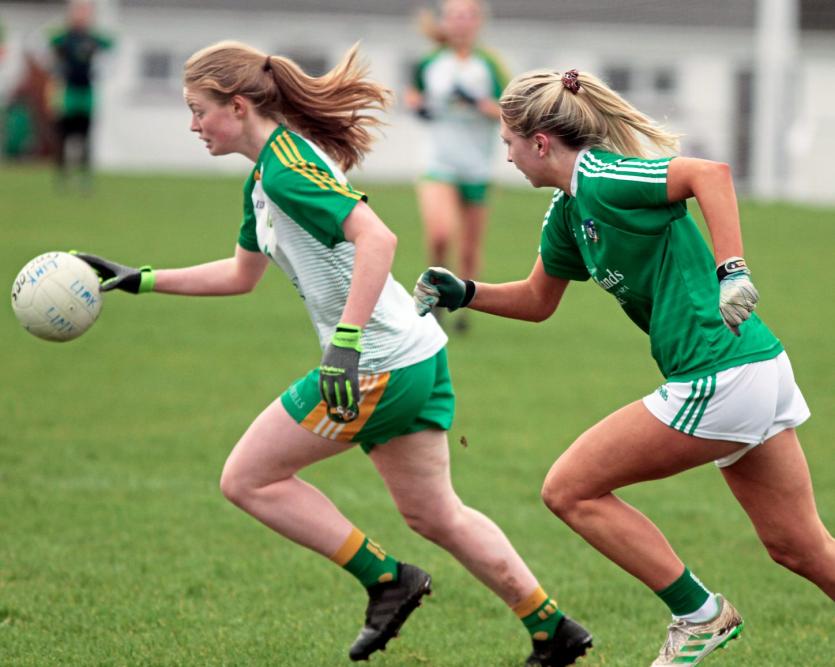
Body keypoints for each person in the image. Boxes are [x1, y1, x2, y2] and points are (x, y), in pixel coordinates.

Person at [74, 42, 593, 666]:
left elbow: (377, 238)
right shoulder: (267, 174)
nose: (192, 125)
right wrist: (142, 279)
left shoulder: (286, 168)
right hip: (415, 355)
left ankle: (387, 579)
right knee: (436, 514)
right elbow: (241, 274)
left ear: (236, 106)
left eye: (198, 110)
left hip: (375, 364)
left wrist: (345, 342)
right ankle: (552, 628)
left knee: (248, 479)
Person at [414, 68, 835, 666]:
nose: (505, 156)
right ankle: (702, 616)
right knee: (799, 548)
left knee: (569, 490)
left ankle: (700, 616)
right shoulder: (568, 210)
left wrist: (732, 271)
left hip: (719, 372)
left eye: (508, 142)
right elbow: (538, 300)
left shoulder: (604, 176)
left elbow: (708, 174)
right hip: (754, 369)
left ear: (540, 142)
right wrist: (466, 292)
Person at [403, 0, 509, 332]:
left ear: (478, 22)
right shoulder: (431, 62)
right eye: (453, 16)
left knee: (469, 251)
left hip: (476, 166)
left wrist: (478, 104)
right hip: (438, 163)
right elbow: (413, 94)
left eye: (466, 16)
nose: (460, 22)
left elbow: (508, 111)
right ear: (444, 22)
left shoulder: (488, 64)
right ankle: (434, 291)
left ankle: (464, 309)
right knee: (439, 234)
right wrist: (418, 107)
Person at [48, 0, 114, 188]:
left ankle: (85, 176)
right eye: (78, 11)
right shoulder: (63, 38)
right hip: (68, 93)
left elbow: (113, 48)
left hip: (87, 93)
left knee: (85, 137)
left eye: (85, 12)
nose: (81, 16)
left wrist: (103, 71)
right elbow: (41, 45)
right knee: (63, 136)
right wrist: (56, 68)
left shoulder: (95, 39)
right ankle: (62, 176)